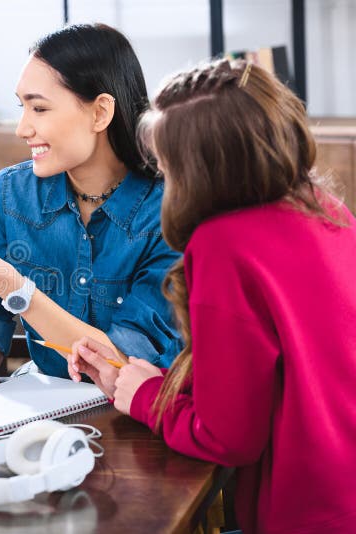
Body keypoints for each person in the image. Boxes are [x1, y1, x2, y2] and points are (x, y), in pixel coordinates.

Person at [68, 59, 356, 533]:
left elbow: (228, 440)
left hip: (304, 515)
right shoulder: (324, 208)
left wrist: (146, 399)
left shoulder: (223, 246)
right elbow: (287, 378)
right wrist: (156, 384)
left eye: (166, 167)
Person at [0, 24, 182, 417]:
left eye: (39, 108)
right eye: (21, 107)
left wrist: (6, 280)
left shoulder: (168, 210)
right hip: (44, 417)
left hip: (141, 423)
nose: (23, 128)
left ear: (101, 111)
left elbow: (120, 362)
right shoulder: (9, 196)